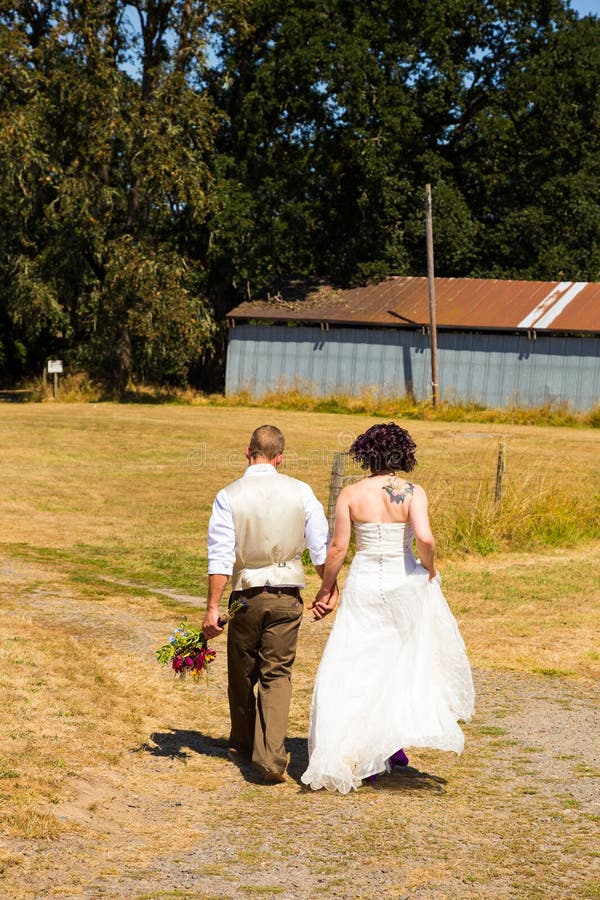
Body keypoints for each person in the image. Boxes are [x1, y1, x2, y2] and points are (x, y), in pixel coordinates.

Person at [301, 422, 475, 794]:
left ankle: (370, 746)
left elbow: (337, 549)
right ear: (403, 454)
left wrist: (326, 589)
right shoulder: (412, 492)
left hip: (364, 582)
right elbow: (425, 537)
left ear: (366, 454)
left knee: (356, 661)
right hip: (401, 582)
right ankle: (384, 747)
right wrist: (428, 566)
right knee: (399, 662)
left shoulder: (350, 493)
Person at [203, 424, 329, 784]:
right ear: (280, 458)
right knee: (277, 674)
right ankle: (272, 756)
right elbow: (320, 547)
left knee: (242, 673)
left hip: (246, 597)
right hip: (288, 595)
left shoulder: (229, 495)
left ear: (248, 451)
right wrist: (328, 588)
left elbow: (221, 557)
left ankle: (243, 742)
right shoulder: (301, 492)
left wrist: (213, 607)